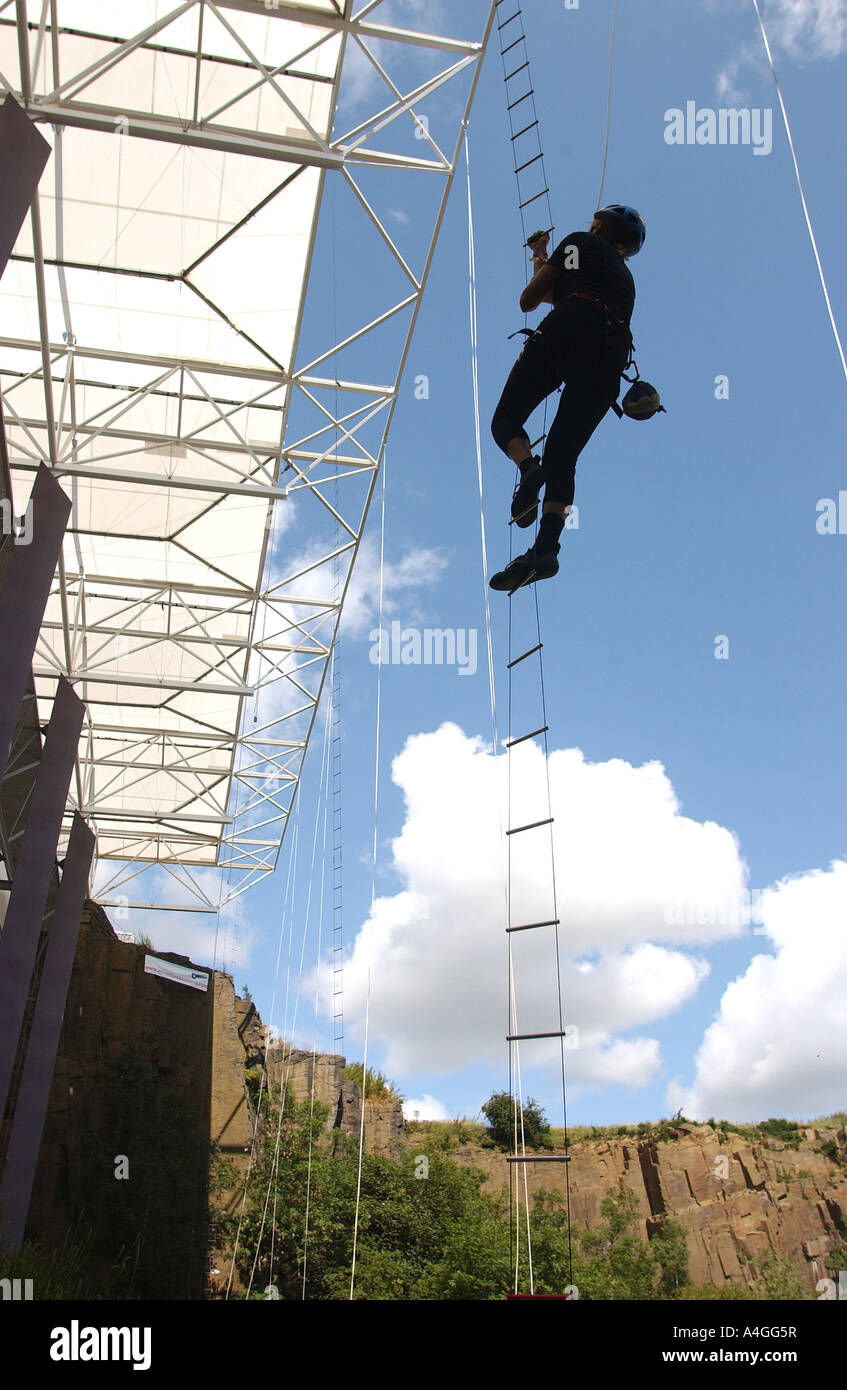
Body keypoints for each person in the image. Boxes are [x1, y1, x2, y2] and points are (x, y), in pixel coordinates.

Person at [488, 204, 646, 592]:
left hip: (569, 327)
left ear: (597, 226)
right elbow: (561, 291)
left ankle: (528, 469)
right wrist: (545, 258)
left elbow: (531, 299)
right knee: (564, 458)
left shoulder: (577, 243)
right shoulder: (626, 281)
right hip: (610, 355)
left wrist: (543, 254)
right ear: (626, 248)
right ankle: (546, 550)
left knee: (506, 420)